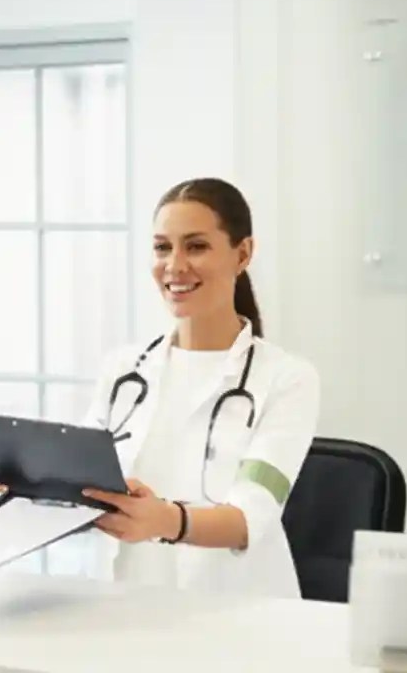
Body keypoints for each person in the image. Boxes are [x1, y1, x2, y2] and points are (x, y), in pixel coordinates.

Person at [79, 177, 320, 598]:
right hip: (128, 605)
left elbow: (248, 519)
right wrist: (38, 486)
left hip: (242, 614)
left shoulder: (288, 378)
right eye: (162, 247)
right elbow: (83, 477)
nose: (174, 266)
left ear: (242, 254)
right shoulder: (123, 370)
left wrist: (164, 520)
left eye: (196, 246)